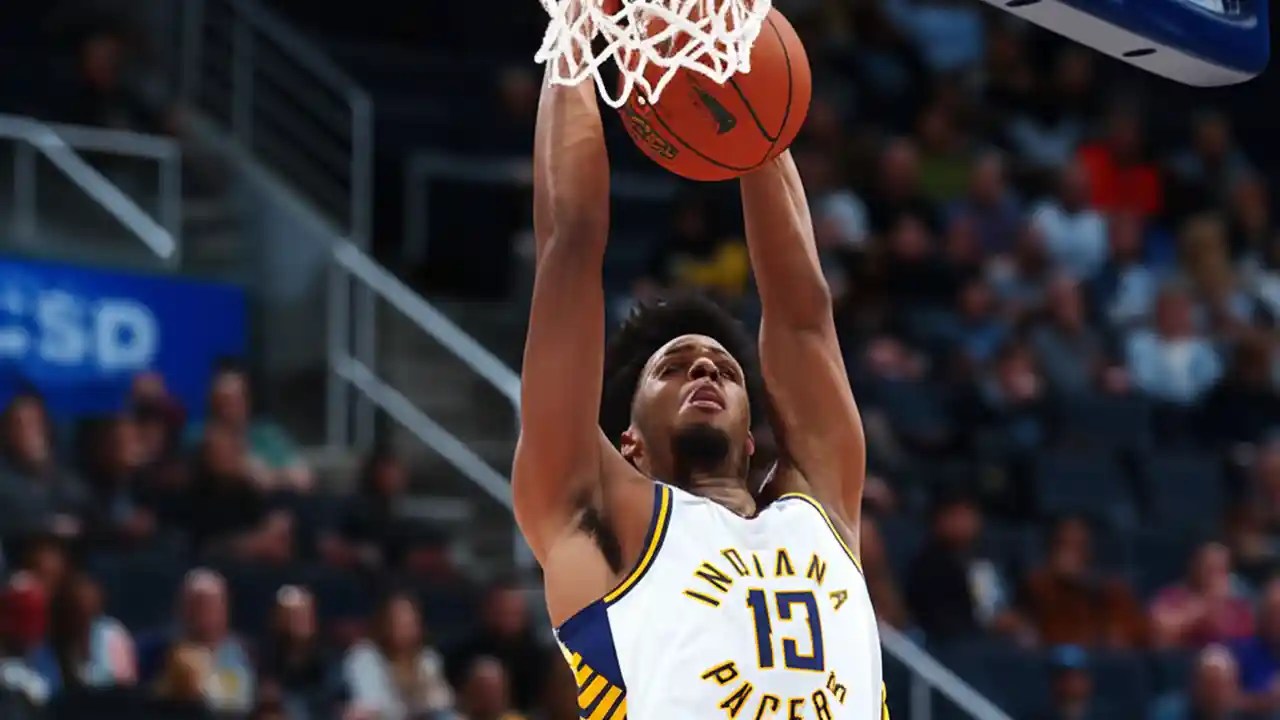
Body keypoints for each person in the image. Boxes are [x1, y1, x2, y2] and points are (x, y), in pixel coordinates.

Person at [513, 49, 885, 720]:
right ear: (627, 443)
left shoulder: (820, 508)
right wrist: (573, 36)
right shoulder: (601, 523)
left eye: (725, 369)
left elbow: (803, 315)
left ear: (751, 436)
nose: (707, 369)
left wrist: (742, 74)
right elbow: (569, 246)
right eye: (674, 367)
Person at [342, 591, 454, 720]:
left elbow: (442, 700)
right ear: (384, 623)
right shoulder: (363, 657)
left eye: (410, 622)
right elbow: (370, 707)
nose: (404, 628)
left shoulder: (427, 658)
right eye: (398, 621)